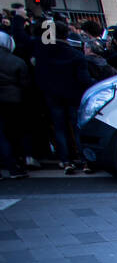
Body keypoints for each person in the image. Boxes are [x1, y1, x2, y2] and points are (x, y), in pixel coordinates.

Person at [32, 19, 94, 174]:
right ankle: (85, 160)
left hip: (52, 96)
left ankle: (66, 160)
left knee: (59, 128)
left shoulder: (42, 54)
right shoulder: (76, 55)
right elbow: (84, 80)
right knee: (77, 128)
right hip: (73, 95)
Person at [0, 32, 31, 179]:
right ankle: (16, 166)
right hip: (14, 101)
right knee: (14, 134)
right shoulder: (16, 61)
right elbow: (25, 83)